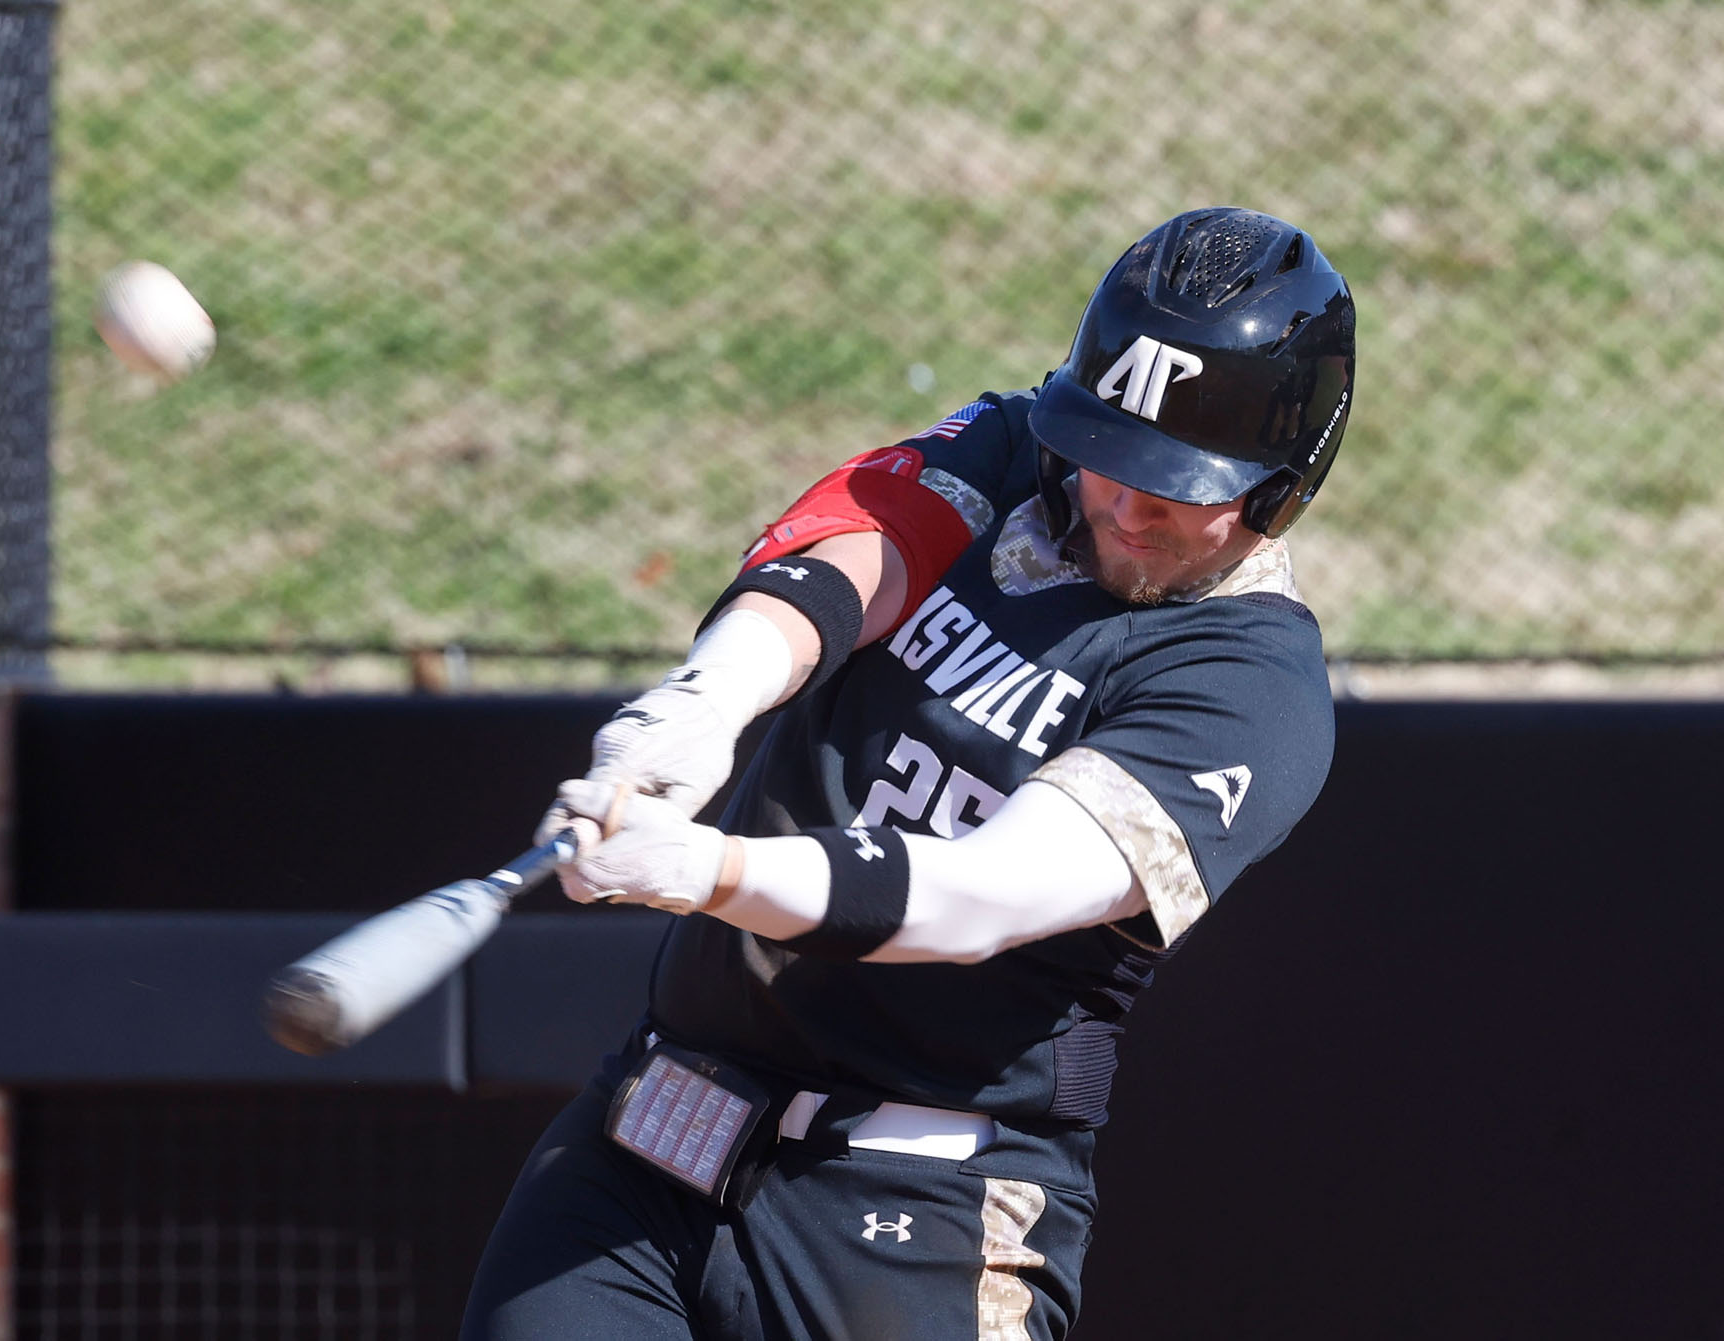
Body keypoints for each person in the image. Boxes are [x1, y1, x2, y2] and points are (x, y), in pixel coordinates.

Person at [460, 206, 1356, 1341]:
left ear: (1282, 485)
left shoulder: (1254, 688)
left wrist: (714, 868)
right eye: (1106, 457)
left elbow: (983, 895)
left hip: (918, 1215)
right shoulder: (1018, 451)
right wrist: (705, 703)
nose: (1123, 506)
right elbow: (861, 545)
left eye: (1174, 485)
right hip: (648, 1140)